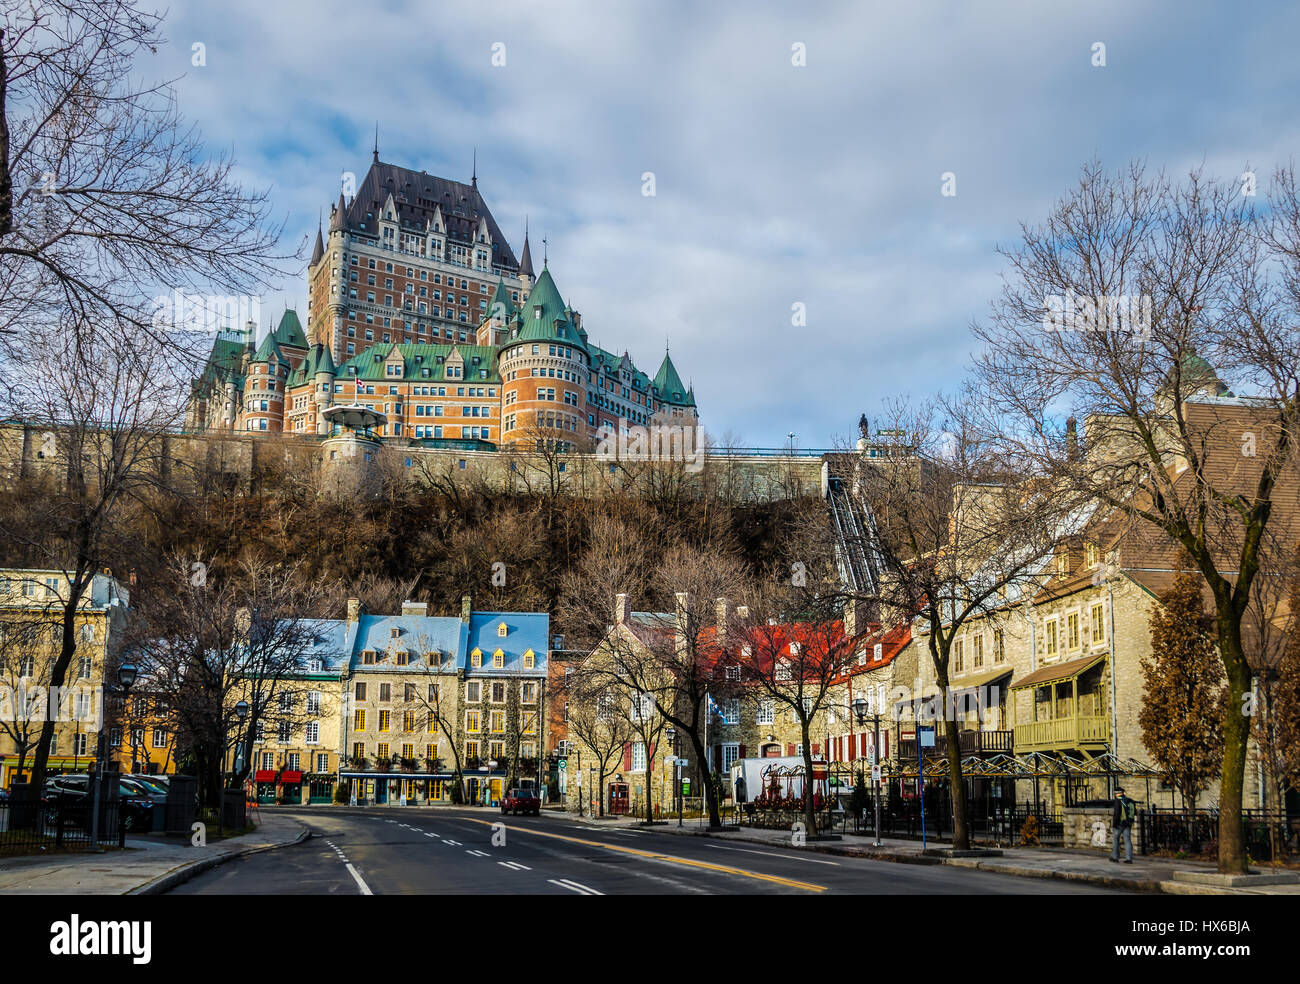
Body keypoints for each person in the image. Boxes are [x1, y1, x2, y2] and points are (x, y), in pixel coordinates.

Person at [1110, 786, 1136, 863]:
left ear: (1117, 793)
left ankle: (1115, 857)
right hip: (1127, 823)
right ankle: (1129, 858)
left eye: (1115, 793)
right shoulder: (1129, 800)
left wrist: (1114, 824)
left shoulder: (1118, 801)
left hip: (1119, 824)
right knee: (1127, 840)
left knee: (1115, 840)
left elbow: (1117, 813)